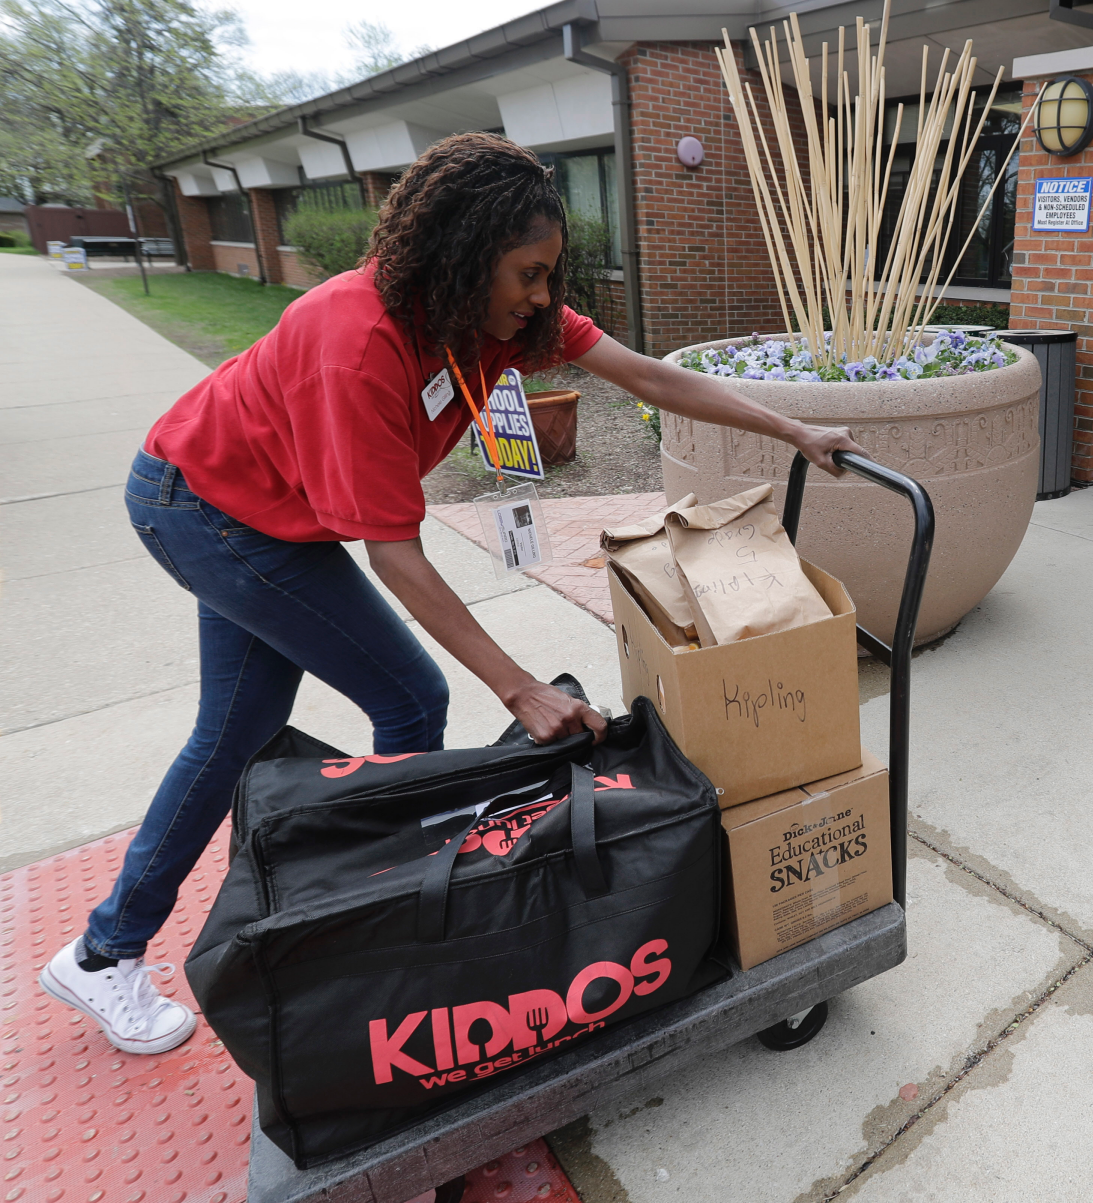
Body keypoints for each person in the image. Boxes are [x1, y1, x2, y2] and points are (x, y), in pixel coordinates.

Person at [39, 133, 866, 1054]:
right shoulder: (353, 341)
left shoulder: (492, 324)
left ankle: (105, 948)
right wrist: (519, 688)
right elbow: (395, 554)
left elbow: (646, 374)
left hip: (268, 513)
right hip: (204, 508)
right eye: (528, 271)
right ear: (466, 252)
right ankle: (398, 943)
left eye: (551, 273)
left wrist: (792, 426)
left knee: (234, 731)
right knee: (408, 695)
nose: (544, 295)